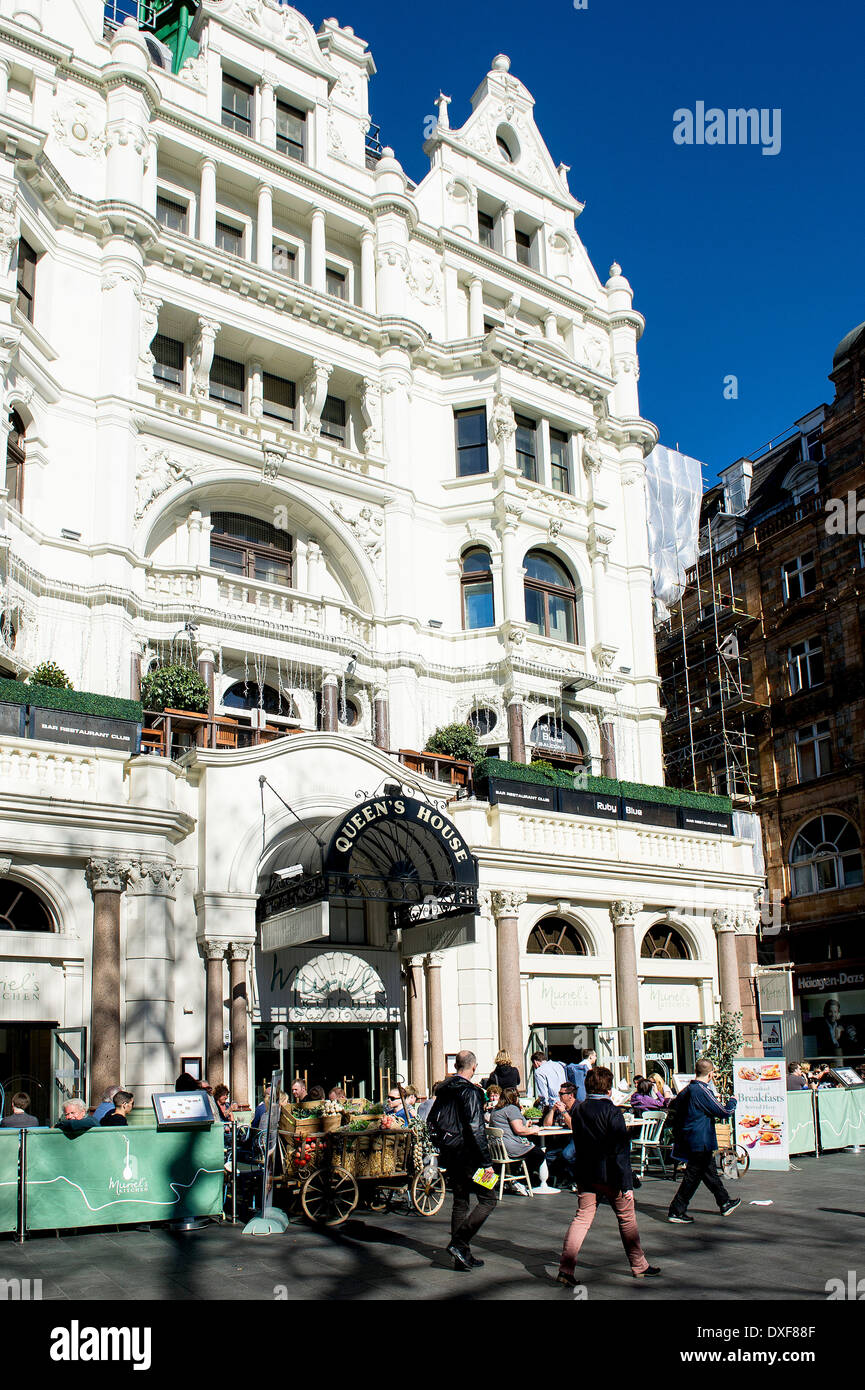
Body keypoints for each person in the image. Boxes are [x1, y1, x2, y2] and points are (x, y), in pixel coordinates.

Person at [557, 1066, 659, 1284]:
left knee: (581, 1219)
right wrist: (627, 1184)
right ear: (609, 1089)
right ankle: (639, 1265)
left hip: (586, 1174)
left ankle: (566, 1269)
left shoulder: (580, 1109)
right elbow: (620, 1151)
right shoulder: (613, 1112)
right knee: (627, 1219)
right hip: (611, 1175)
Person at [427, 1049, 497, 1272]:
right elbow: (476, 1128)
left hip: (452, 1154)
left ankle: (462, 1255)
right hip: (471, 1157)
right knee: (488, 1198)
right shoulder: (470, 1092)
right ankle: (458, 1244)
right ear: (473, 1067)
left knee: (460, 1201)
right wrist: (486, 1163)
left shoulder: (444, 1088)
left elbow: (432, 1121)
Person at [667, 1059, 740, 1224]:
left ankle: (724, 1202)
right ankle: (676, 1210)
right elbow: (724, 1111)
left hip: (690, 1137)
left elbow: (674, 1106)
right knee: (692, 1176)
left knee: (708, 1172)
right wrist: (733, 1100)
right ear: (711, 1073)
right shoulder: (702, 1090)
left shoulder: (687, 1090)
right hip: (701, 1139)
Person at [489, 1087, 545, 1192]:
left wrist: (525, 1124)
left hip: (497, 1148)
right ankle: (520, 1180)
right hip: (511, 1146)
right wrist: (534, 1129)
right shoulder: (512, 1108)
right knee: (539, 1154)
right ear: (515, 1098)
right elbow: (519, 1130)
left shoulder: (495, 1110)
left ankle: (511, 1178)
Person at [546, 1081, 581, 1189]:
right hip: (563, 1138)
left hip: (577, 1138)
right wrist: (553, 1110)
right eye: (559, 1093)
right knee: (549, 1155)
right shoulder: (560, 1107)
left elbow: (574, 1127)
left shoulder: (578, 1107)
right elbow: (546, 1124)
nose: (559, 1096)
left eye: (561, 1094)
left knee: (567, 1154)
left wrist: (564, 1112)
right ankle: (562, 1177)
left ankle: (576, 1178)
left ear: (570, 1095)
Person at [531, 1051, 567, 1124]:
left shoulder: (539, 1071)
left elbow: (543, 1095)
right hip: (564, 1103)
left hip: (553, 1106)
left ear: (535, 1062)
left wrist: (542, 1108)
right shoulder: (559, 1065)